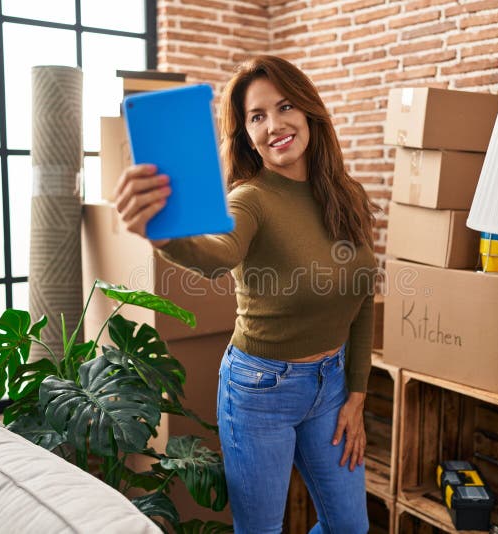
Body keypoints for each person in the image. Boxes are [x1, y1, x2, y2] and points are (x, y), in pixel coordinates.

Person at [115, 55, 377, 534]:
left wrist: (356, 393)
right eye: (257, 117)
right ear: (246, 134)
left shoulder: (348, 195)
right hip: (261, 390)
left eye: (284, 107)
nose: (274, 125)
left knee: (351, 527)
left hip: (332, 383)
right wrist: (164, 235)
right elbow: (218, 254)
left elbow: (362, 301)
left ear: (308, 111)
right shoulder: (249, 199)